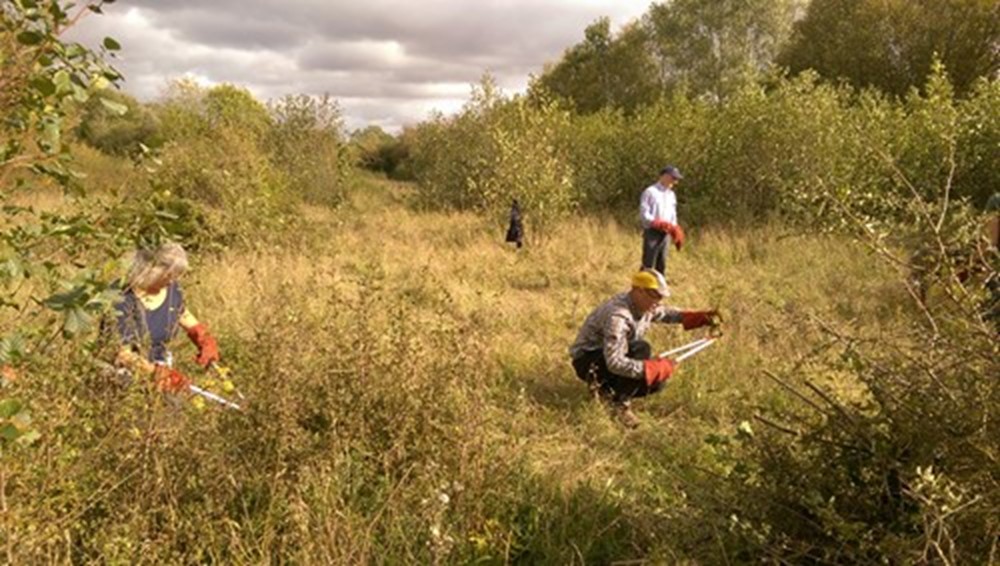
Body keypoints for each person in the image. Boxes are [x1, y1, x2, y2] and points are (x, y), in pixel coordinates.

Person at [569, 269, 719, 427]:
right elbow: (614, 362)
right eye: (655, 295)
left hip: (610, 358)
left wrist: (698, 318)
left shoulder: (644, 305)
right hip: (588, 361)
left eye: (661, 297)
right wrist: (648, 369)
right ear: (638, 291)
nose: (658, 302)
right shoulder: (618, 316)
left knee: (657, 383)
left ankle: (605, 392)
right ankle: (620, 406)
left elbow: (665, 313)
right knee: (641, 349)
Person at [114, 243, 221, 393]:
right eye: (169, 274)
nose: (173, 280)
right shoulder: (122, 298)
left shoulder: (171, 290)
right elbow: (123, 354)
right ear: (151, 269)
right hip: (130, 375)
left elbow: (182, 314)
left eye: (177, 275)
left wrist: (204, 339)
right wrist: (157, 373)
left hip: (162, 365)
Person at [639, 165, 686, 278]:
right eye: (673, 178)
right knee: (648, 263)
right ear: (664, 176)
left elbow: (673, 215)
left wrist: (675, 229)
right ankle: (641, 289)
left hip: (666, 233)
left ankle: (658, 291)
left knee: (662, 263)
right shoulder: (650, 192)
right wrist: (657, 223)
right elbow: (644, 214)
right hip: (652, 232)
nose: (675, 181)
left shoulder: (671, 195)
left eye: (676, 179)